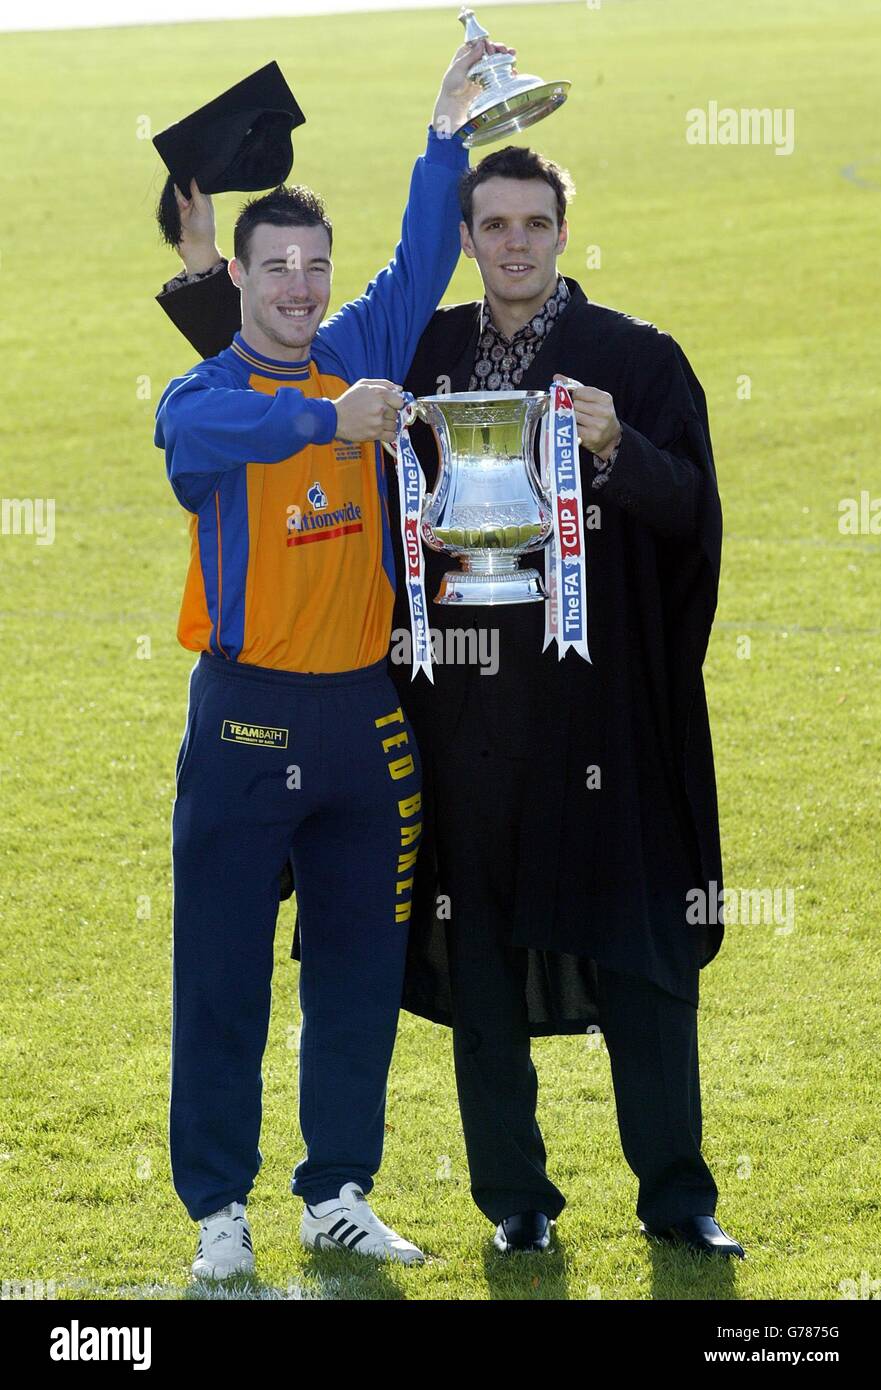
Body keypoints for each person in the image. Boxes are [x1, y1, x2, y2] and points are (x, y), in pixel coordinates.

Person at [155, 144, 744, 1261]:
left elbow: (693, 510)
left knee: (625, 957)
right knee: (462, 952)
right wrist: (208, 279)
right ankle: (504, 1199)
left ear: (563, 232)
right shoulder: (421, 352)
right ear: (468, 241)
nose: (513, 243)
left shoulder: (632, 358)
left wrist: (616, 448)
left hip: (589, 711)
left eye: (534, 223)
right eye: (492, 225)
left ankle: (673, 1194)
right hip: (447, 706)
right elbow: (271, 372)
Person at [153, 39, 506, 1279]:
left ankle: (337, 1190)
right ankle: (218, 1210)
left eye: (314, 270)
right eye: (276, 271)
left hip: (363, 720)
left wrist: (443, 128)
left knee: (357, 972)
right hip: (246, 724)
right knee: (223, 981)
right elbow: (204, 426)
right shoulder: (209, 397)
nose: (299, 289)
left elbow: (426, 255)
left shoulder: (364, 342)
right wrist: (326, 416)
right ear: (236, 279)